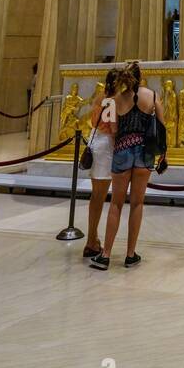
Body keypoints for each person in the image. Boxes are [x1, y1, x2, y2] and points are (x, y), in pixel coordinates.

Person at [90, 61, 163, 271]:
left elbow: (111, 130)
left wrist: (121, 144)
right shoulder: (153, 96)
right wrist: (163, 156)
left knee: (116, 204)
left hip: (122, 150)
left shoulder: (113, 101)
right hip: (144, 154)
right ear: (140, 77)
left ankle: (105, 255)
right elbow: (162, 127)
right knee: (137, 204)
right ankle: (130, 254)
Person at [82, 69, 117, 260]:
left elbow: (92, 121)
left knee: (95, 196)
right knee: (100, 196)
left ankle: (92, 238)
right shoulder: (111, 101)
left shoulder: (99, 97)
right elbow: (113, 128)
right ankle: (91, 241)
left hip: (94, 142)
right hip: (105, 147)